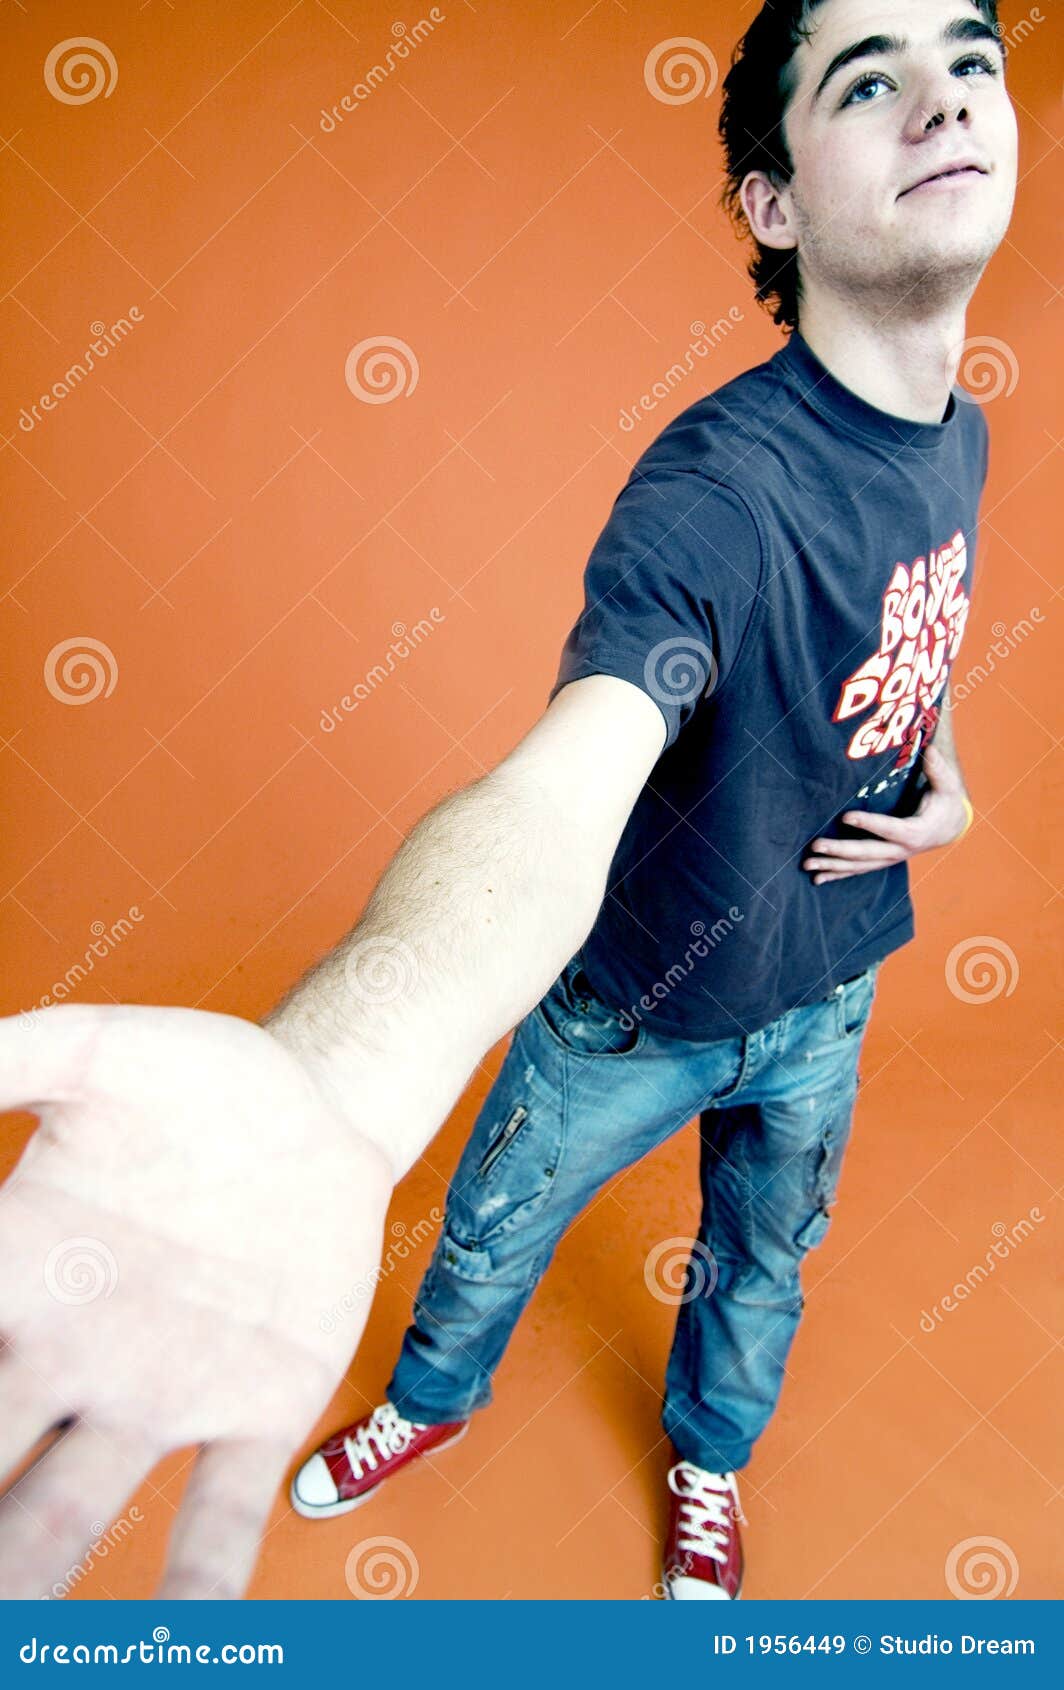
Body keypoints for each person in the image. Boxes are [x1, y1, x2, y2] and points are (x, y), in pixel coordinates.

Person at [0, 0, 1016, 1602]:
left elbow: (904, 620)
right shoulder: (716, 494)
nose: (940, 104)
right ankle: (426, 1403)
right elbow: (574, 767)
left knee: (765, 1263)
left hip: (836, 982)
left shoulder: (957, 431)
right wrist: (339, 1078)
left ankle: (713, 1462)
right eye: (867, 80)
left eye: (972, 61)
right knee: (483, 1232)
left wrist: (934, 772)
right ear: (774, 203)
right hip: (637, 1004)